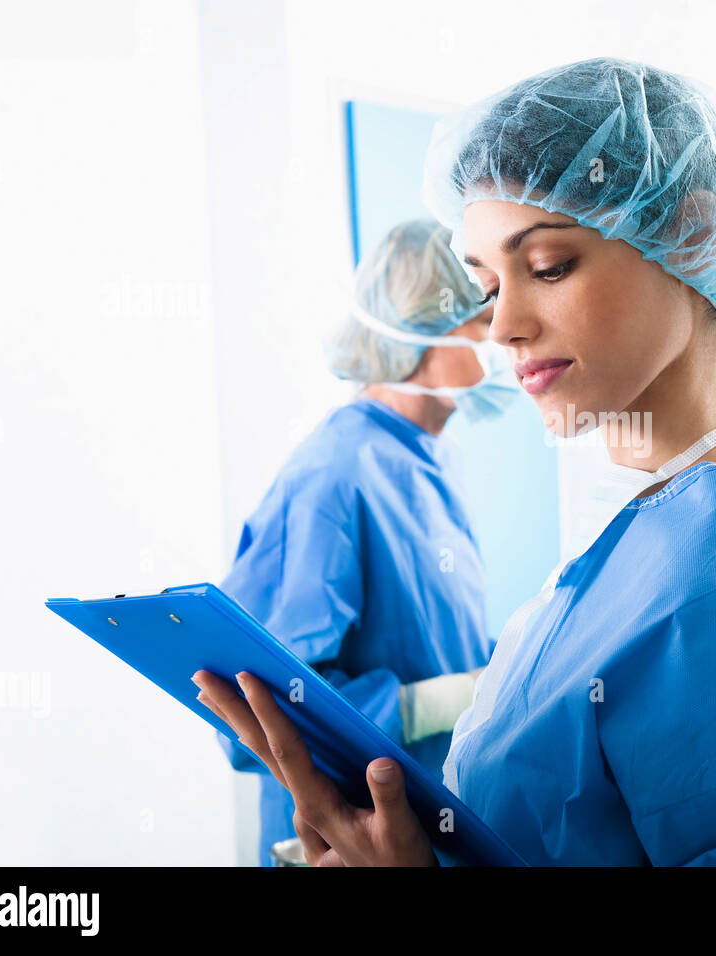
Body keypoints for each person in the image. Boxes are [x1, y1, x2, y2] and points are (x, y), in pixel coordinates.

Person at [196, 57, 716, 867]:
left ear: (695, 235)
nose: (501, 328)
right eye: (489, 285)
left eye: (547, 267)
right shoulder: (642, 541)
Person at [215, 219, 514, 866]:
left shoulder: (432, 460)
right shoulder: (336, 471)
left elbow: (430, 639)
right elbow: (252, 711)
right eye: (487, 315)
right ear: (424, 332)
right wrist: (426, 704)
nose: (509, 335)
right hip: (342, 842)